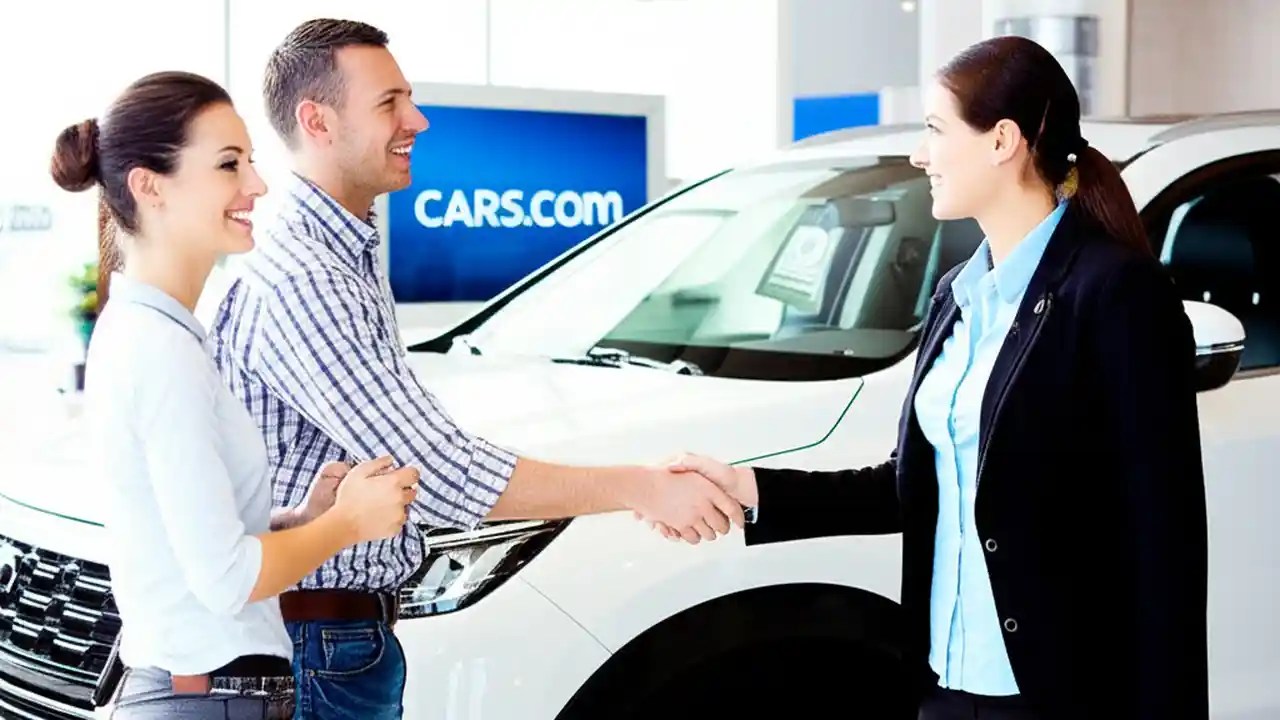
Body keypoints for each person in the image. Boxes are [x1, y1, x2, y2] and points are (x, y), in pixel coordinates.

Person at [207, 18, 743, 717]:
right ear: (318, 121)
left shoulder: (339, 253)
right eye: (389, 103)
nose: (418, 121)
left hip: (328, 636)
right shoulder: (306, 278)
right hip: (318, 645)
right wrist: (642, 487)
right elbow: (437, 471)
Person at [662, 36, 1209, 720]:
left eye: (935, 129)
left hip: (1061, 693)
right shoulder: (958, 294)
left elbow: (1165, 544)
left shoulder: (1114, 294)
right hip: (945, 686)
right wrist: (749, 489)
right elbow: (913, 489)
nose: (921, 154)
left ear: (1002, 140)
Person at [51, 70, 423, 719]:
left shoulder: (152, 329)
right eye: (229, 165)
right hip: (211, 698)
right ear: (149, 186)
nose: (257, 184)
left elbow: (189, 541)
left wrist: (303, 520)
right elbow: (224, 580)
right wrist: (347, 525)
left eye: (250, 161)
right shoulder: (161, 349)